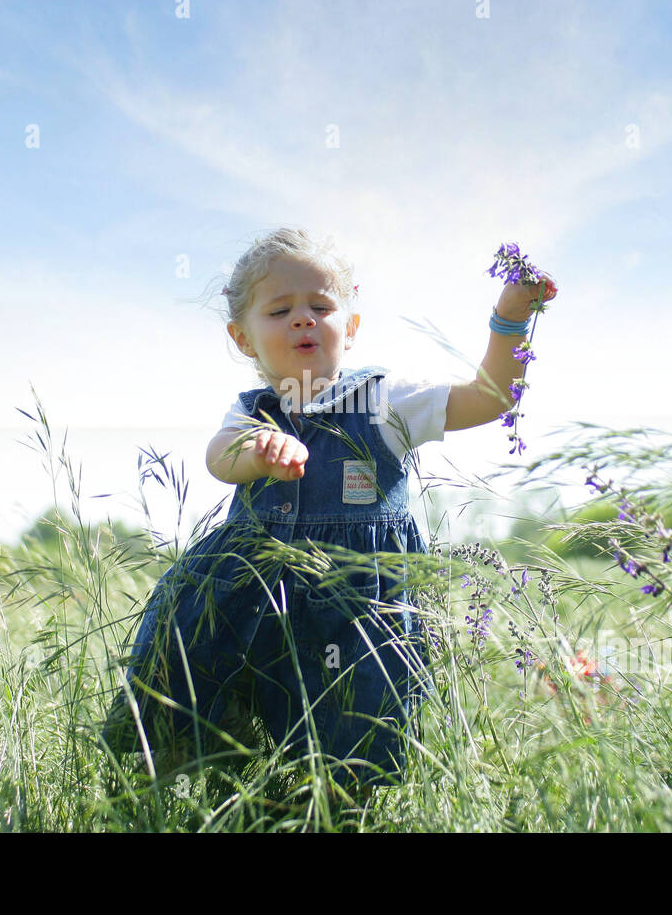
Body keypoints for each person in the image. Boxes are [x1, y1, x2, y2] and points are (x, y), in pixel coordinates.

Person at [100, 227, 556, 793]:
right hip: (250, 595)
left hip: (358, 607)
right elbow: (220, 458)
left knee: (353, 740)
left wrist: (509, 318)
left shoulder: (390, 402)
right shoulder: (252, 412)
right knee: (193, 691)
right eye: (280, 310)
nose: (303, 319)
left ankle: (330, 801)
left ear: (352, 327)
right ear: (243, 338)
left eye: (321, 305)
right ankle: (181, 779)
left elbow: (490, 397)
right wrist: (259, 451)